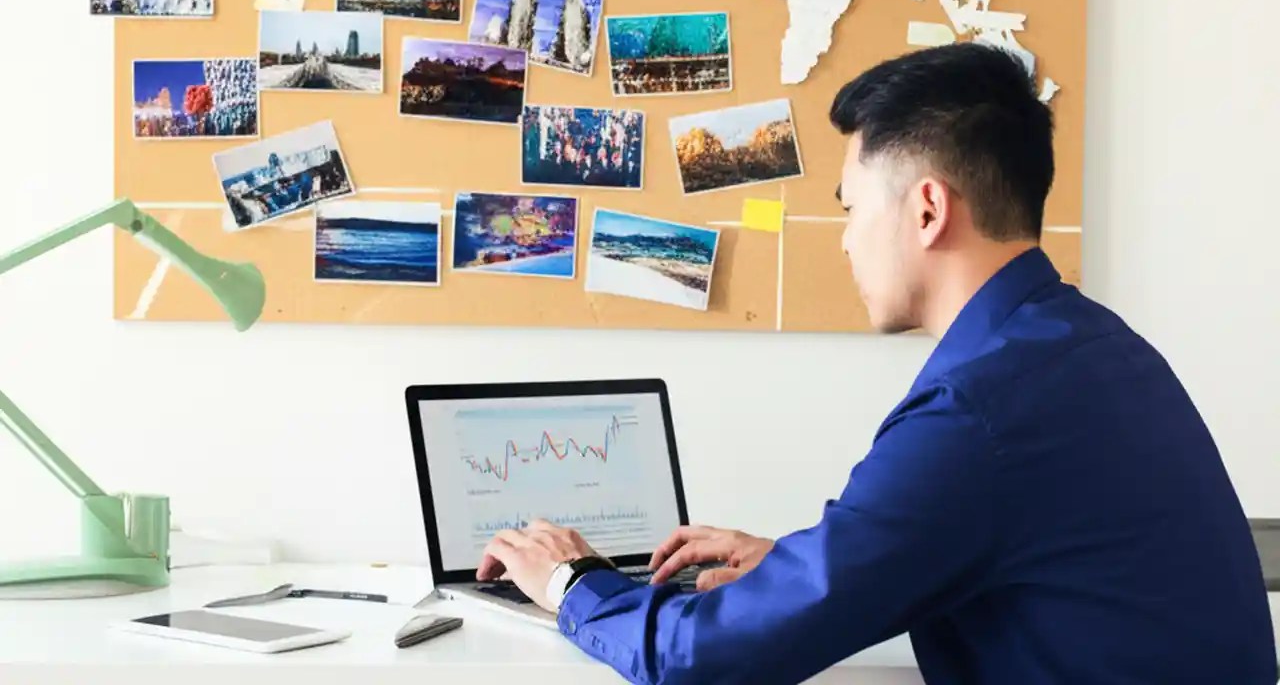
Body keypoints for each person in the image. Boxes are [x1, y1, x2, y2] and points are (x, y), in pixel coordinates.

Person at [476, 43, 1278, 684]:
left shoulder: (982, 410)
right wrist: (795, 567)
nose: (846, 239)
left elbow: (708, 662)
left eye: (852, 208)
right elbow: (987, 540)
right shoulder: (1096, 350)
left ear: (927, 211)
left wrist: (571, 584)